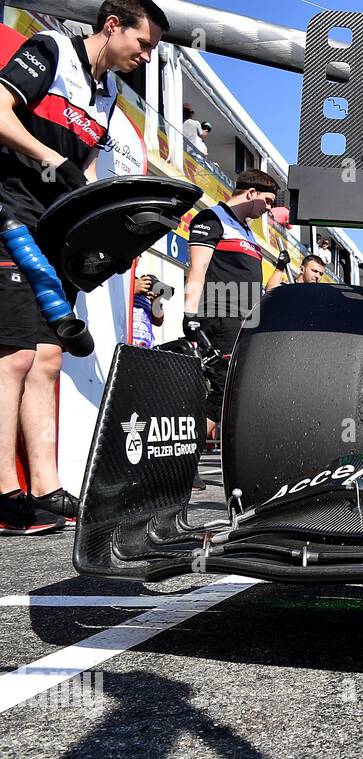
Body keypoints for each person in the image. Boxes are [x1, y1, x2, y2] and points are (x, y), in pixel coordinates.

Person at [0, 0, 168, 534]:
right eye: (142, 44)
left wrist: (104, 236)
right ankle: (4, 492)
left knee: (48, 356)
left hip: (54, 231)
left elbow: (90, 174)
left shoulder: (111, 91)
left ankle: (45, 489)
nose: (145, 57)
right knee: (12, 359)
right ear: (112, 25)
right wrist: (51, 160)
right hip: (9, 215)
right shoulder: (50, 50)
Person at [183, 169, 289, 437]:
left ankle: (187, 464)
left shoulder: (247, 231)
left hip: (244, 320)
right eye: (267, 201)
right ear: (250, 193)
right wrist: (189, 313)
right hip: (220, 315)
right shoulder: (211, 218)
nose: (268, 209)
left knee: (231, 396)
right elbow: (197, 268)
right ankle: (183, 464)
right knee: (220, 392)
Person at [130, 273, 166, 347]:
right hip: (121, 344)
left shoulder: (144, 291)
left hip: (145, 349)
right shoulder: (115, 280)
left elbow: (158, 322)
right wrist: (132, 290)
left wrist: (156, 302)